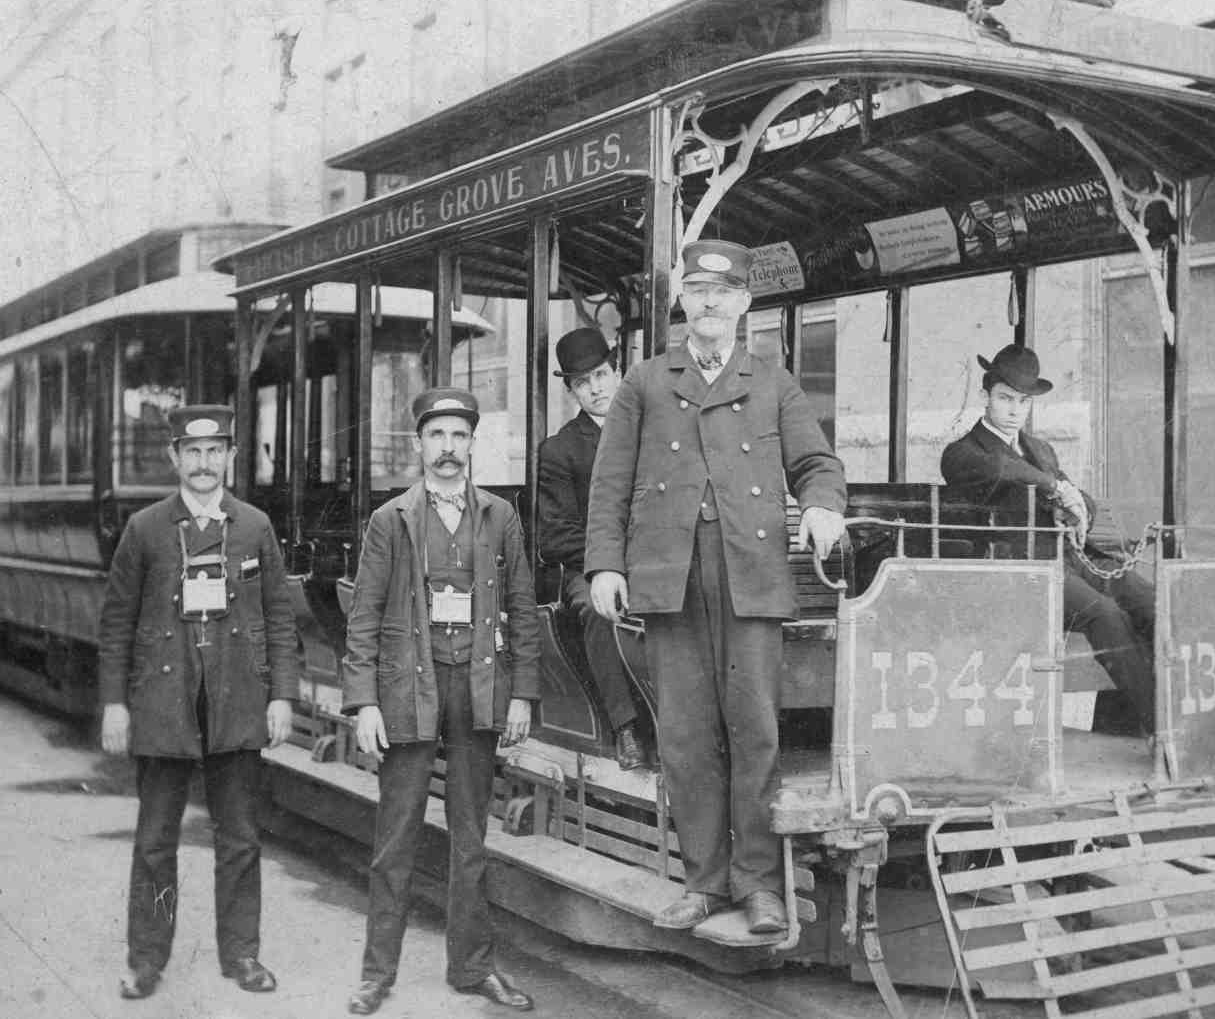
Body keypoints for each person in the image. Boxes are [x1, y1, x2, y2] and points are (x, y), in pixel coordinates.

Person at [584, 240, 848, 936]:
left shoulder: (773, 381)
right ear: (683, 303)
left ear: (743, 304)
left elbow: (817, 463)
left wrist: (821, 505)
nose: (709, 302)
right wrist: (606, 565)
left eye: (722, 292)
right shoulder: (644, 382)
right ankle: (703, 882)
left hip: (750, 574)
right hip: (669, 576)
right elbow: (609, 484)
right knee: (685, 736)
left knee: (755, 730)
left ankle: (759, 885)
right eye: (697, 290)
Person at [342, 387, 541, 1015]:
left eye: (459, 437)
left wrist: (523, 695)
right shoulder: (391, 520)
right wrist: (365, 702)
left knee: (470, 838)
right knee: (395, 836)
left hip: (477, 690)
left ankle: (473, 969)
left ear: (471, 444)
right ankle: (378, 974)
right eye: (437, 437)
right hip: (409, 689)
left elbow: (523, 611)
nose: (448, 449)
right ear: (419, 444)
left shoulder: (499, 517)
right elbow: (365, 616)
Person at [97, 404, 299, 1000]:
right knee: (156, 839)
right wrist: (114, 703)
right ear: (175, 458)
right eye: (193, 452)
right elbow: (116, 625)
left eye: (215, 453)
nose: (205, 464)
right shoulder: (145, 529)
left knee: (239, 837)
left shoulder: (256, 526)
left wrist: (282, 695)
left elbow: (279, 619)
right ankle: (146, 960)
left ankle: (242, 956)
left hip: (236, 703)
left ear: (232, 457)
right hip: (165, 704)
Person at [940, 343, 1156, 734]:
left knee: (1149, 600)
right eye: (1005, 398)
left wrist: (1076, 508)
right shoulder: (962, 453)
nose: (1014, 411)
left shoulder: (1039, 448)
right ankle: (1161, 725)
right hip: (1018, 573)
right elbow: (1002, 470)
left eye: (1023, 402)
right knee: (1104, 614)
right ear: (985, 395)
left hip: (1070, 561)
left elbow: (1081, 500)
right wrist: (1054, 488)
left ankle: (1184, 717)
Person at [537, 326, 650, 770]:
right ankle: (625, 728)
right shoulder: (560, 450)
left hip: (654, 561)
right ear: (571, 390)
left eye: (602, 374)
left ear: (618, 371)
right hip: (585, 568)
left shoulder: (653, 431)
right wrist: (611, 564)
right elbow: (556, 536)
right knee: (600, 608)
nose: (596, 388)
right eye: (582, 382)